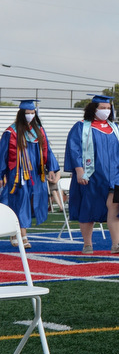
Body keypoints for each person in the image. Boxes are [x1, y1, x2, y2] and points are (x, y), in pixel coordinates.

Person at [63, 95, 119, 254]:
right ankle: (87, 244)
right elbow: (74, 149)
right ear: (93, 109)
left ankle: (116, 244)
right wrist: (79, 170)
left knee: (116, 206)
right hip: (92, 175)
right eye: (102, 108)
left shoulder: (113, 127)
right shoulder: (81, 127)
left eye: (108, 108)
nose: (106, 111)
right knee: (88, 207)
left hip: (115, 175)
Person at [1, 100, 59, 248]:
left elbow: (48, 151)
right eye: (27, 113)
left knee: (33, 202)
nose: (30, 115)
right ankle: (22, 235)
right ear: (21, 114)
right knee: (21, 201)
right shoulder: (11, 132)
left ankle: (16, 233)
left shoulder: (39, 130)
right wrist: (1, 175)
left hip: (36, 174)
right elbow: (2, 154)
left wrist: (51, 169)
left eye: (32, 113)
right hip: (18, 174)